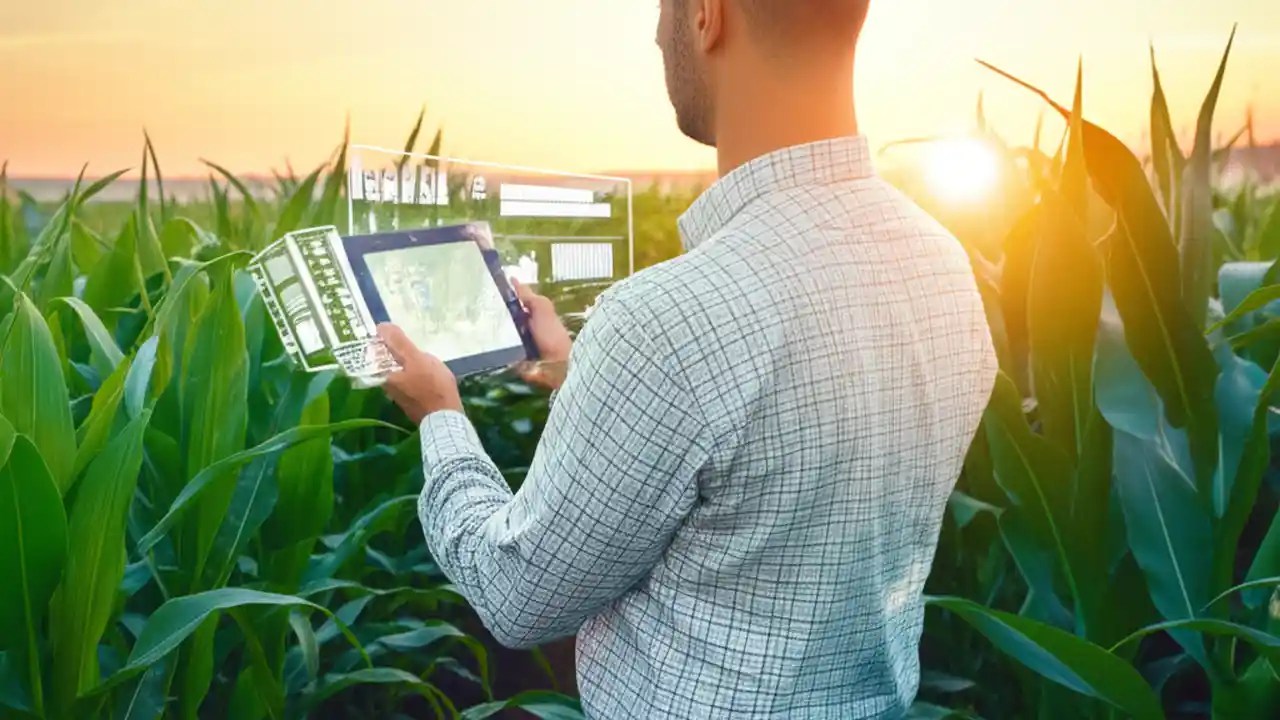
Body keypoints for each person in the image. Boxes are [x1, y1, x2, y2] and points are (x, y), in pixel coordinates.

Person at [378, 0, 998, 717]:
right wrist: (583, 377)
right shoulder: (942, 266)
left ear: (708, 14)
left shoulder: (665, 320)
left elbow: (519, 597)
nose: (655, 31)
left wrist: (440, 416)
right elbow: (770, 457)